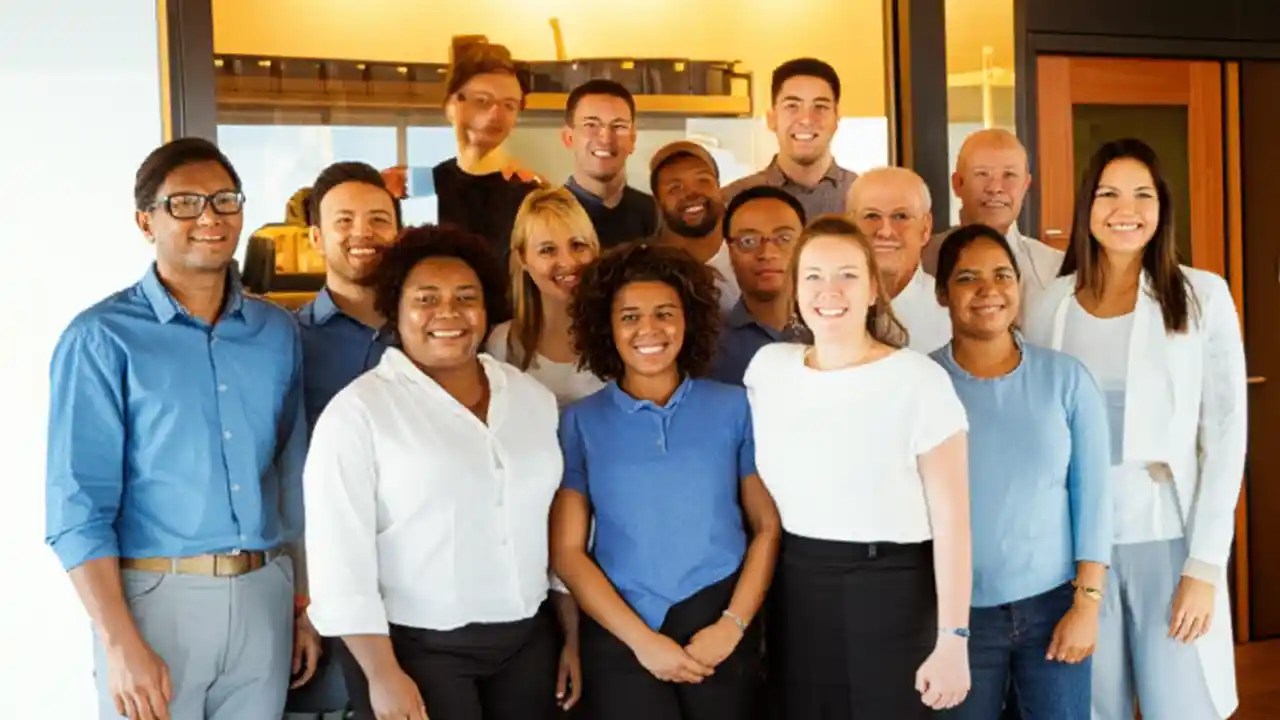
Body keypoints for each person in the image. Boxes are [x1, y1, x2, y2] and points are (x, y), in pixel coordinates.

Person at [45, 137, 317, 720]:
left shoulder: (277, 332)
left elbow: (291, 478)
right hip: (154, 601)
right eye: (185, 203)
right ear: (146, 222)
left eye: (225, 200)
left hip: (264, 595)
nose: (210, 217)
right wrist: (119, 643)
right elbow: (77, 507)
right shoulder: (101, 338)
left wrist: (299, 607)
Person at [1023, 138, 1247, 720]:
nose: (1126, 208)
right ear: (1087, 207)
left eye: (1142, 194)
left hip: (1168, 539)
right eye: (1109, 194)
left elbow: (1226, 436)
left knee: (1184, 704)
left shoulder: (1202, 295)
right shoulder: (1049, 304)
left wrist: (1204, 567)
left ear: (1162, 208)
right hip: (1078, 551)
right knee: (1093, 706)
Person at [303, 225, 565, 720]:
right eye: (426, 298)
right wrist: (381, 675)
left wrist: (568, 634)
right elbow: (339, 562)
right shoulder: (359, 412)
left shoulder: (531, 399)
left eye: (466, 297)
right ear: (395, 311)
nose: (448, 313)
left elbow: (554, 524)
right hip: (415, 649)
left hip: (527, 639)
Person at [744, 215, 971, 718]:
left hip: (893, 587)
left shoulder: (919, 380)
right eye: (813, 276)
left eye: (847, 274)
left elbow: (953, 521)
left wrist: (954, 638)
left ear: (872, 289)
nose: (830, 290)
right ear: (796, 290)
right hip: (797, 585)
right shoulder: (768, 370)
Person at [550, 243, 782, 720]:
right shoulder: (580, 422)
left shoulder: (735, 407)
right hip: (621, 633)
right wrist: (642, 642)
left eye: (664, 313)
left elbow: (766, 528)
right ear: (606, 328)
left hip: (719, 623)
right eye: (630, 316)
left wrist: (733, 626)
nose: (648, 329)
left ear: (688, 320)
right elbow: (568, 552)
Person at [929, 224, 1112, 720]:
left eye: (1002, 275)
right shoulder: (922, 386)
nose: (988, 290)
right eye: (968, 278)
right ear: (943, 293)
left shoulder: (1065, 378)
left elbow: (1093, 498)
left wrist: (1087, 607)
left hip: (1054, 609)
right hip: (956, 620)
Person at [287, 161, 403, 717]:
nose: (364, 233)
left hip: (423, 590)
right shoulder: (284, 343)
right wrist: (300, 597)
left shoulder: (434, 338)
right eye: (345, 220)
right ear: (315, 237)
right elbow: (278, 473)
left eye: (379, 219)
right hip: (322, 592)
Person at [422, 41, 543, 266]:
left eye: (509, 105)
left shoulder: (533, 195)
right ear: (451, 105)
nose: (496, 114)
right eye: (482, 101)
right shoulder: (424, 186)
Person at [487, 186, 606, 408]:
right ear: (522, 258)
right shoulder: (501, 345)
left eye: (578, 245)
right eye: (547, 250)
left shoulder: (620, 336)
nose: (568, 262)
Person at [923, 129, 1063, 315]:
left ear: (1025, 185)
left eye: (1009, 175)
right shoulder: (922, 262)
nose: (995, 188)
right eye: (982, 174)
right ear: (958, 184)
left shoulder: (1055, 268)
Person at [721, 58, 858, 219]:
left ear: (836, 119)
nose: (806, 119)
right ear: (772, 119)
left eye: (820, 107)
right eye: (792, 106)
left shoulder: (865, 197)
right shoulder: (733, 201)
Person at [846, 166, 952, 353]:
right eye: (871, 216)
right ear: (849, 225)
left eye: (900, 216)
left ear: (925, 229)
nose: (885, 231)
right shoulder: (825, 307)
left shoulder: (953, 316)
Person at [710, 185, 807, 386]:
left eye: (784, 238)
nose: (767, 253)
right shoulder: (710, 347)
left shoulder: (833, 329)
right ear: (730, 251)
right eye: (748, 241)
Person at [562, 79, 658, 248]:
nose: (606, 138)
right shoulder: (546, 214)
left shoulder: (657, 216)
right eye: (591, 125)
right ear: (568, 138)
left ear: (632, 140)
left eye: (619, 126)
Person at [650, 140, 740, 315]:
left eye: (703, 180)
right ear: (658, 201)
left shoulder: (750, 257)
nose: (691, 193)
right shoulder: (647, 269)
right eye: (675, 187)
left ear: (719, 188)